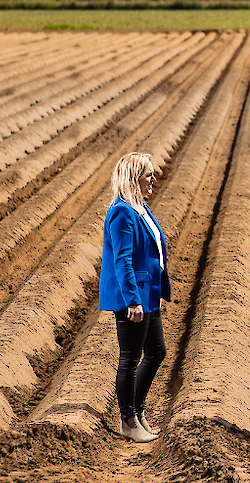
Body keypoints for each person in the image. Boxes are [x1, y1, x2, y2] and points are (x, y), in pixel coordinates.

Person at [99, 152, 171, 443]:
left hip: (148, 293)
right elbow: (123, 261)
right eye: (148, 174)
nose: (154, 178)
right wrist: (133, 300)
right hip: (135, 298)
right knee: (130, 357)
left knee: (157, 353)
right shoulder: (122, 213)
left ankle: (138, 412)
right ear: (133, 178)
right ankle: (128, 421)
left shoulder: (140, 208)